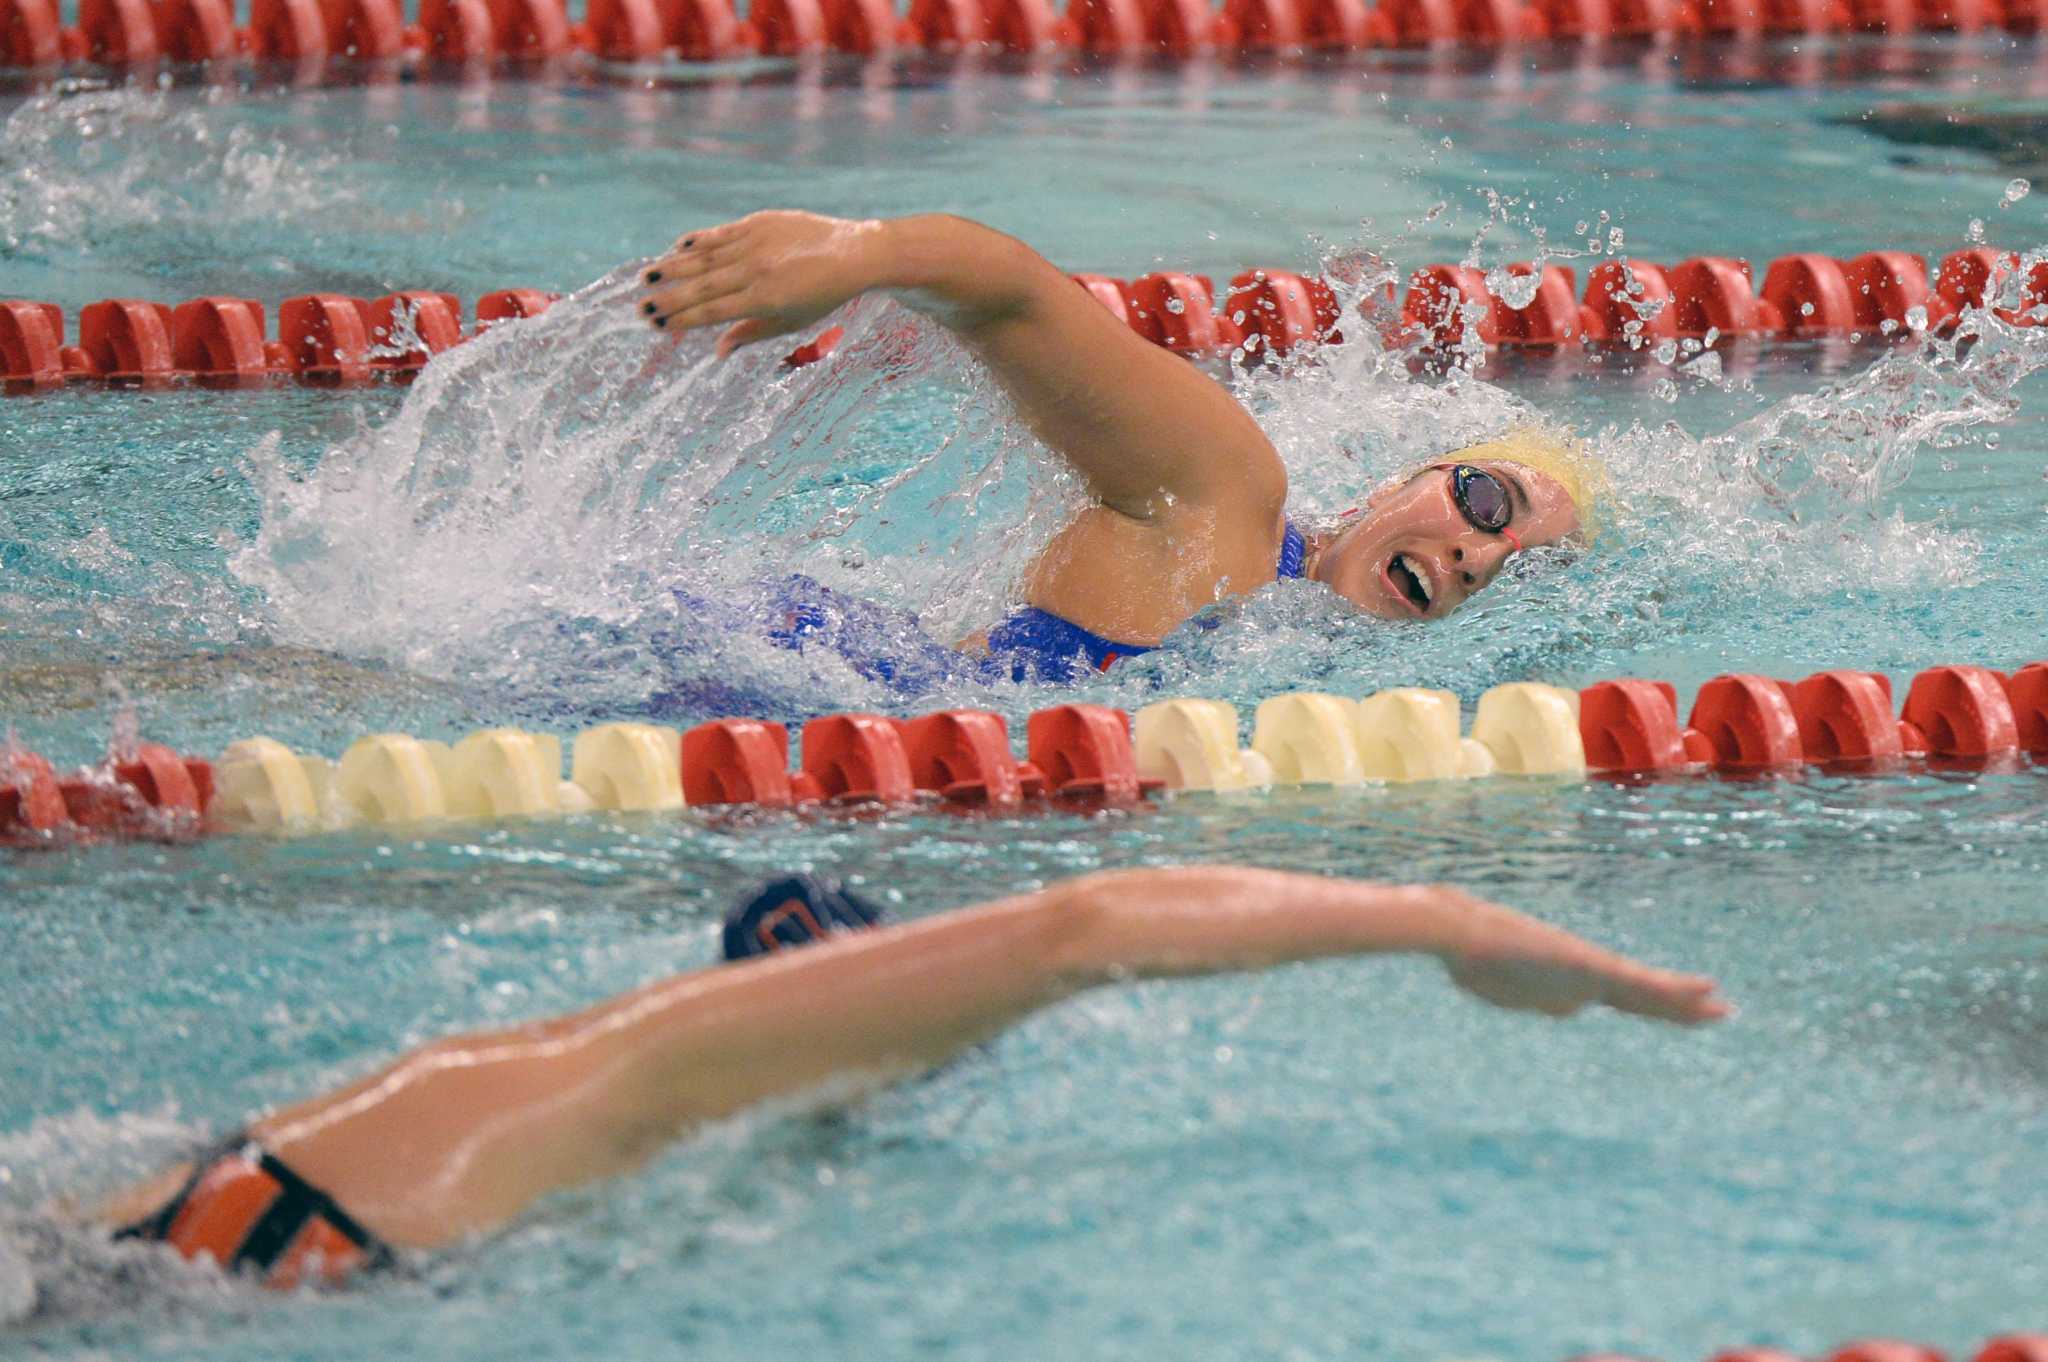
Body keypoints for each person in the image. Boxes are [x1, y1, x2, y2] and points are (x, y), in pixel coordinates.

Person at [93, 866, 1726, 1289]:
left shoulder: (530, 1081)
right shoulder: (650, 1066)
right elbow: (1090, 925)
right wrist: (1441, 924)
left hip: (186, 1242)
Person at [635, 212, 1607, 681]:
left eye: (1516, 570)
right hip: (698, 674)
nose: (1481, 558)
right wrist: (855, 257)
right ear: (1403, 481)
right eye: (1488, 505)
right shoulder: (1224, 508)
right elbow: (1011, 292)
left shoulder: (1304, 667)